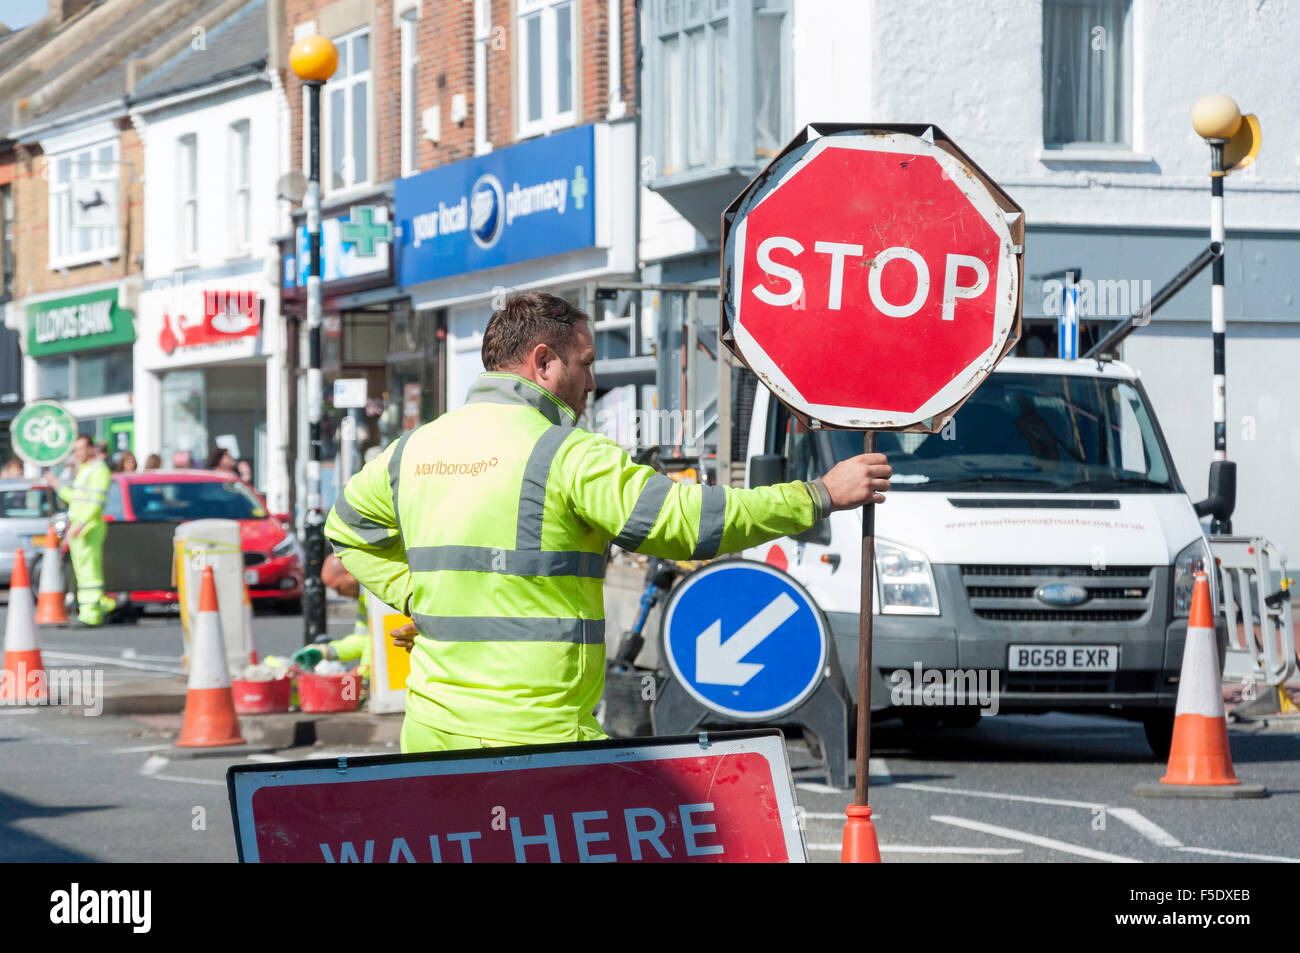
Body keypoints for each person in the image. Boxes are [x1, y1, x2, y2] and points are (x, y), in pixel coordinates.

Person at [325, 292, 891, 754]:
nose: (592, 384)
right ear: (543, 362)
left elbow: (347, 530)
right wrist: (819, 494)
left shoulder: (414, 449)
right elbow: (691, 524)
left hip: (430, 733)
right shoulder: (567, 454)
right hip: (535, 736)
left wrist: (420, 596)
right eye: (586, 364)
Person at [45, 434, 115, 626]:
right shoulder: (85, 470)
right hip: (78, 527)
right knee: (83, 573)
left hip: (88, 527)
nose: (77, 453)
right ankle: (97, 606)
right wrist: (57, 485)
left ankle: (92, 613)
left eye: (80, 449)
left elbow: (97, 502)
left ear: (90, 449)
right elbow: (76, 498)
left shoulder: (98, 470)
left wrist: (83, 523)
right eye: (75, 450)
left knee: (89, 573)